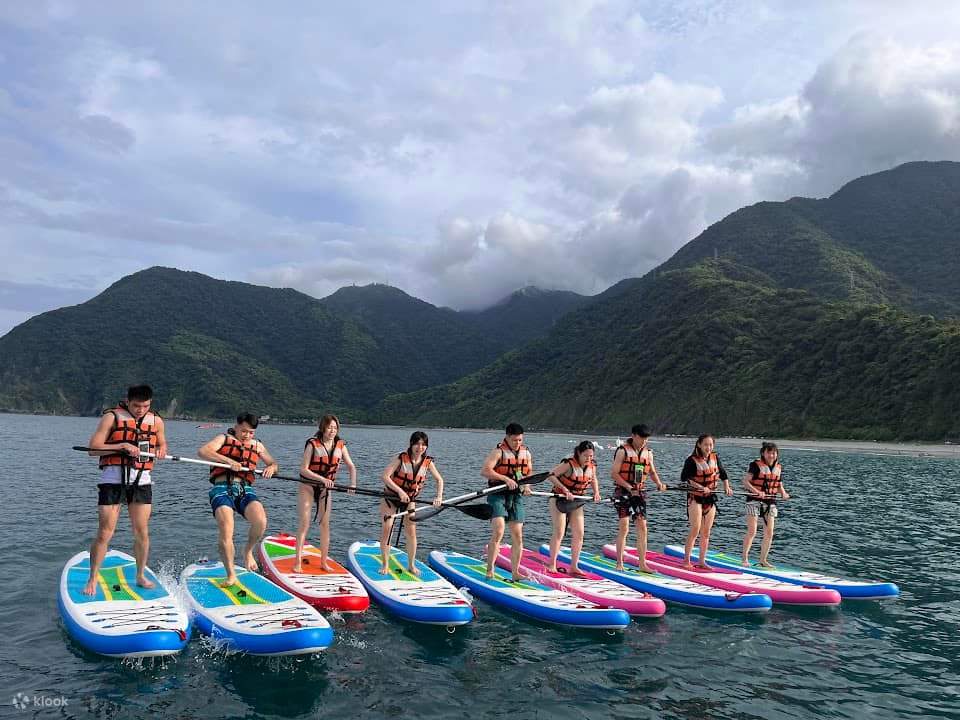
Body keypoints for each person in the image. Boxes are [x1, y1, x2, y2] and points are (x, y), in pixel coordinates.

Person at [83, 384, 166, 595]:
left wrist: (161, 450)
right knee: (105, 532)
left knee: (142, 532)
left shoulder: (156, 421)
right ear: (127, 401)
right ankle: (93, 578)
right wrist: (121, 446)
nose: (141, 410)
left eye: (145, 406)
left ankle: (140, 575)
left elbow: (162, 444)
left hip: (141, 480)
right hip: (113, 480)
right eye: (136, 406)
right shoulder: (112, 417)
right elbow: (93, 449)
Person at [198, 413, 278, 587]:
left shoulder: (257, 445)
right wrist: (227, 460)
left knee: (261, 521)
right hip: (221, 488)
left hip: (244, 489)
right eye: (243, 431)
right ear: (236, 427)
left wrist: (272, 467)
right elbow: (203, 451)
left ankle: (247, 551)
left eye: (251, 432)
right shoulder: (223, 438)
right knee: (227, 528)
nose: (247, 435)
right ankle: (231, 574)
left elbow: (273, 463)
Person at [294, 415, 357, 572]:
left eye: (335, 428)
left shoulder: (341, 446)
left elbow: (351, 466)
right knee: (305, 523)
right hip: (308, 486)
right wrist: (322, 479)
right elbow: (303, 469)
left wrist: (352, 484)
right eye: (329, 428)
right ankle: (297, 562)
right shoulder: (312, 444)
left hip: (325, 490)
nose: (332, 431)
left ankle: (324, 562)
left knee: (325, 524)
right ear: (323, 428)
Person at [379, 431, 444, 576]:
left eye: (423, 444)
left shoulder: (428, 462)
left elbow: (439, 480)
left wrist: (439, 496)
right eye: (417, 444)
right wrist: (400, 491)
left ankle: (411, 565)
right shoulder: (401, 458)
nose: (420, 447)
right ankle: (385, 564)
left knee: (411, 532)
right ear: (411, 444)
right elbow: (385, 476)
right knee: (388, 529)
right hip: (391, 498)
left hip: (410, 500)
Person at [610, 424, 667, 572]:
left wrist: (659, 483)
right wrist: (629, 488)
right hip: (623, 492)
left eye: (646, 439)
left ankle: (642, 564)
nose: (644, 441)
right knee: (624, 526)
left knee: (642, 527)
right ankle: (619, 563)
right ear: (633, 436)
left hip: (639, 493)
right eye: (642, 438)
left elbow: (652, 472)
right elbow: (614, 474)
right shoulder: (622, 451)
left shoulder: (648, 453)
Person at [482, 423, 533, 581]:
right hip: (497, 494)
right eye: (514, 440)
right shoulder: (498, 452)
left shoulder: (526, 453)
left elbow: (529, 472)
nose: (517, 443)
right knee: (499, 531)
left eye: (520, 440)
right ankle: (490, 570)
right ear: (507, 437)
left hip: (515, 496)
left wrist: (527, 485)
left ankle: (515, 572)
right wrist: (505, 479)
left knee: (518, 535)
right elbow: (485, 471)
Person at [544, 441, 602, 575]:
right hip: (559, 498)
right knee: (559, 532)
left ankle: (574, 566)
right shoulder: (568, 464)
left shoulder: (592, 466)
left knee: (579, 534)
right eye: (586, 456)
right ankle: (552, 564)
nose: (588, 459)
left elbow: (593, 479)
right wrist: (564, 489)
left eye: (591, 456)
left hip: (576, 500)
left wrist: (596, 492)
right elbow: (550, 475)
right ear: (579, 453)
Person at [681, 434, 732, 569]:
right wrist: (700, 487)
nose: (708, 448)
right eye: (706, 445)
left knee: (706, 532)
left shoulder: (715, 458)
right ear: (699, 445)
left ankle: (702, 561)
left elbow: (723, 474)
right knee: (695, 529)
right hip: (695, 498)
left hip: (710, 499)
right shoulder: (691, 460)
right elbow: (685, 478)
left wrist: (726, 487)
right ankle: (686, 561)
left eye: (711, 445)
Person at [742, 441, 791, 567]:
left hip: (770, 502)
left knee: (769, 532)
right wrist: (757, 492)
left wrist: (783, 493)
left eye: (774, 453)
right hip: (754, 500)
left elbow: (778, 484)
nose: (771, 455)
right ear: (763, 453)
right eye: (769, 453)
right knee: (752, 531)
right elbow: (746, 482)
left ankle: (763, 560)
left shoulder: (778, 467)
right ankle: (745, 559)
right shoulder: (755, 465)